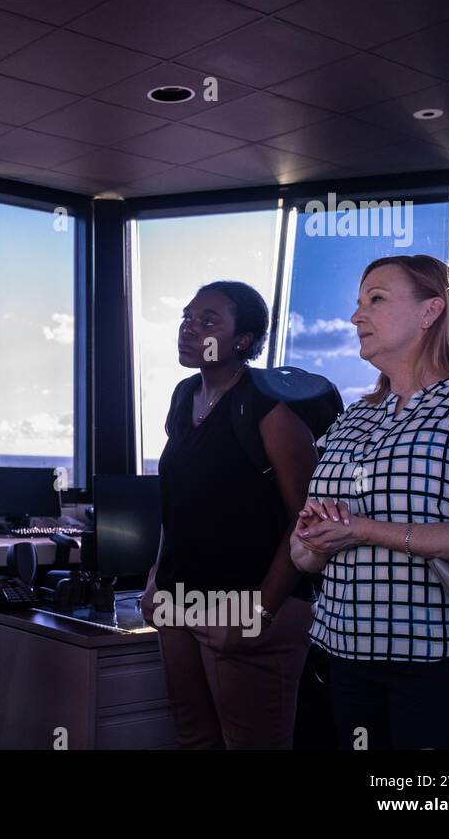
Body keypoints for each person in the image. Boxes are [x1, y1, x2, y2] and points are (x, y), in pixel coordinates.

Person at [292, 255, 449, 750]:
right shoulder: (352, 419)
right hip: (344, 665)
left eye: (376, 300)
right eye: (358, 303)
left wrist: (366, 529)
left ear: (431, 311)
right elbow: (301, 554)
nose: (355, 317)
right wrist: (314, 538)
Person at [145, 281, 319, 749]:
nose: (188, 329)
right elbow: (177, 503)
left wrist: (260, 612)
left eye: (208, 321)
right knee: (194, 736)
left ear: (243, 340)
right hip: (179, 596)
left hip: (249, 599)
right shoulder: (184, 397)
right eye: (186, 317)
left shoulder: (270, 406)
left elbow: (307, 520)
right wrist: (156, 579)